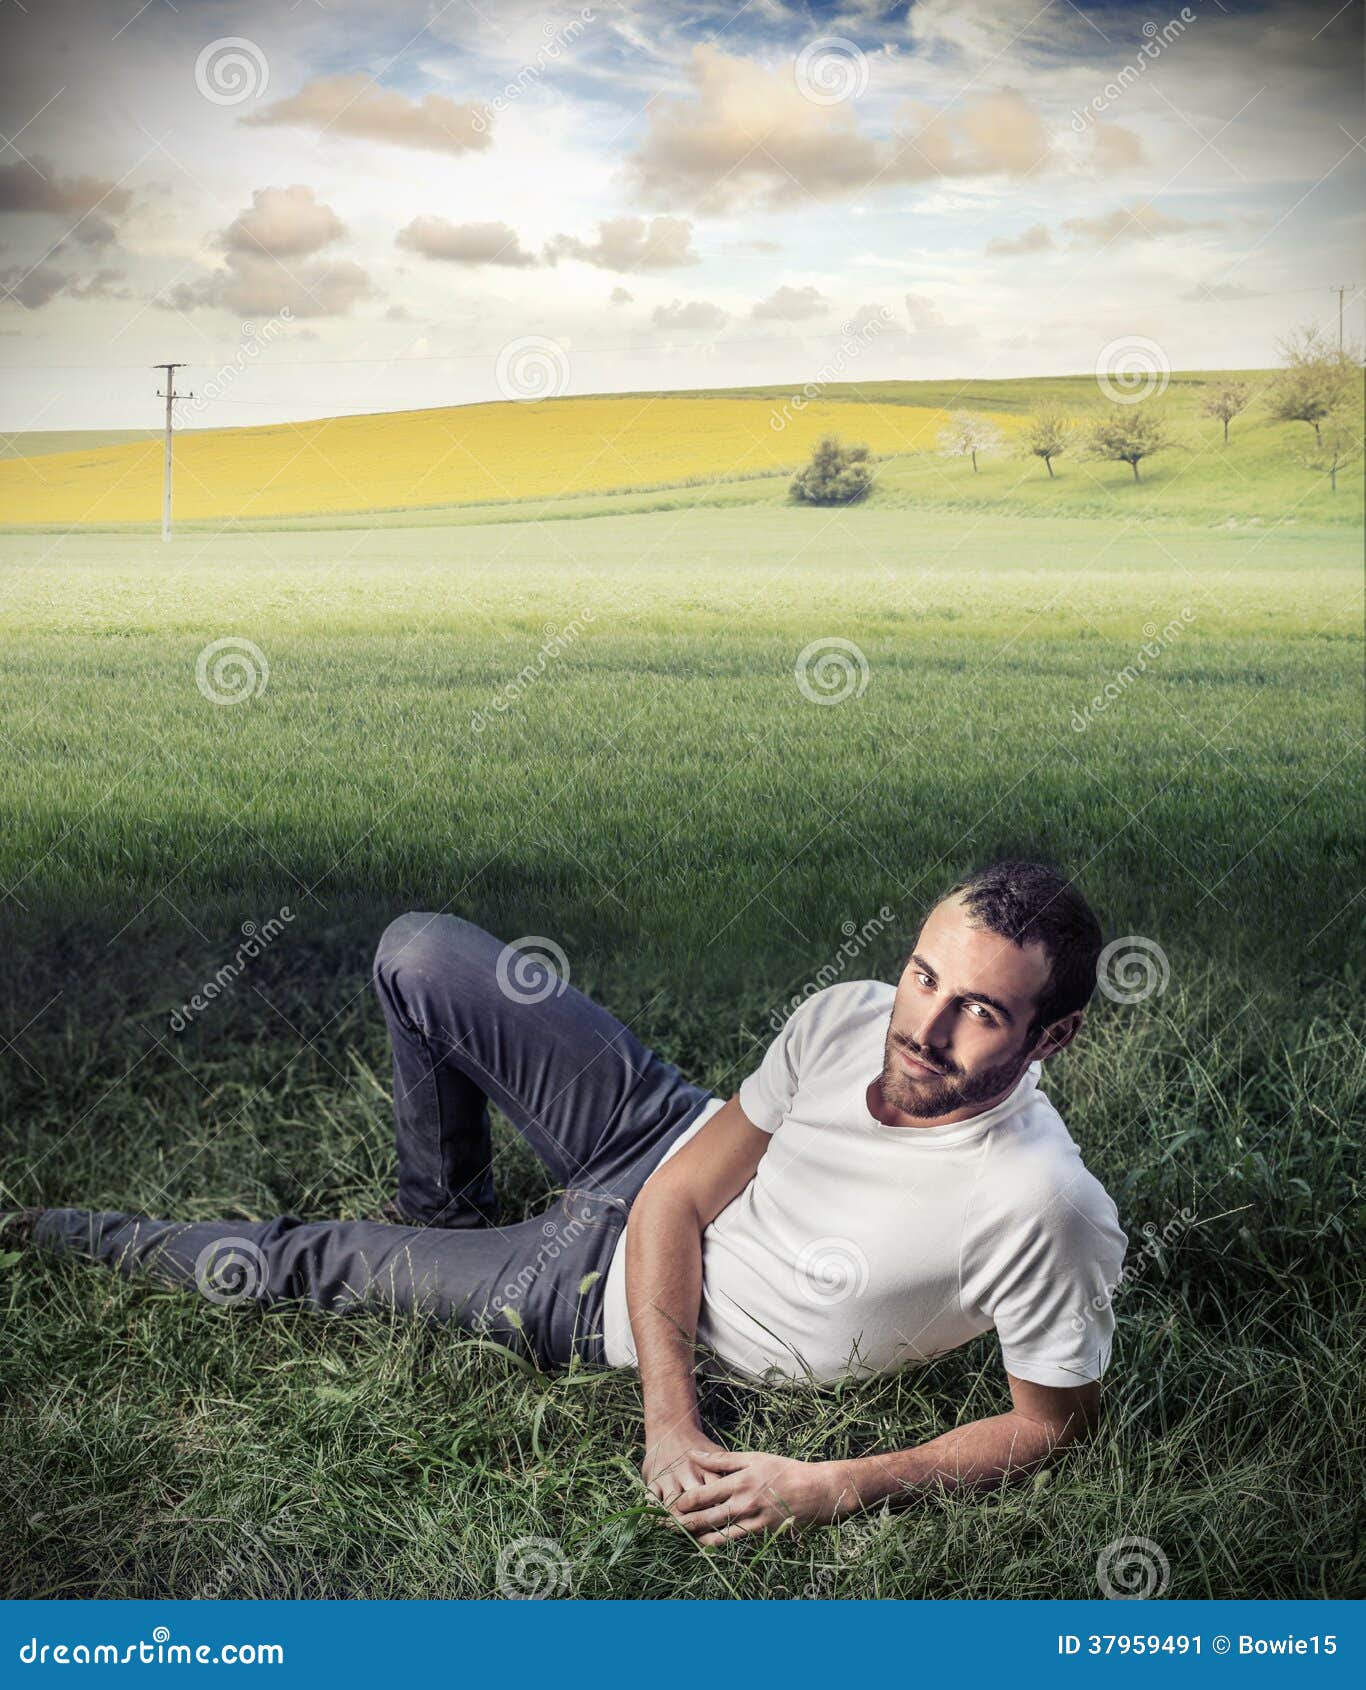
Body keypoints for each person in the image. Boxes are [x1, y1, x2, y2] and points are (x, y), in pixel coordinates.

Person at [4, 858, 1126, 1546]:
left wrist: (837, 1484)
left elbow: (1049, 1425)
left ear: (1054, 1037)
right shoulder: (848, 1015)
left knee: (311, 1259)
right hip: (653, 1132)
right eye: (924, 976)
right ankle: (446, 1215)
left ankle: (53, 1230)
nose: (920, 1026)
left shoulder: (1040, 1204)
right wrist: (670, 1421)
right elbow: (682, 1190)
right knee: (418, 952)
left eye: (980, 1011)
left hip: (583, 1291)